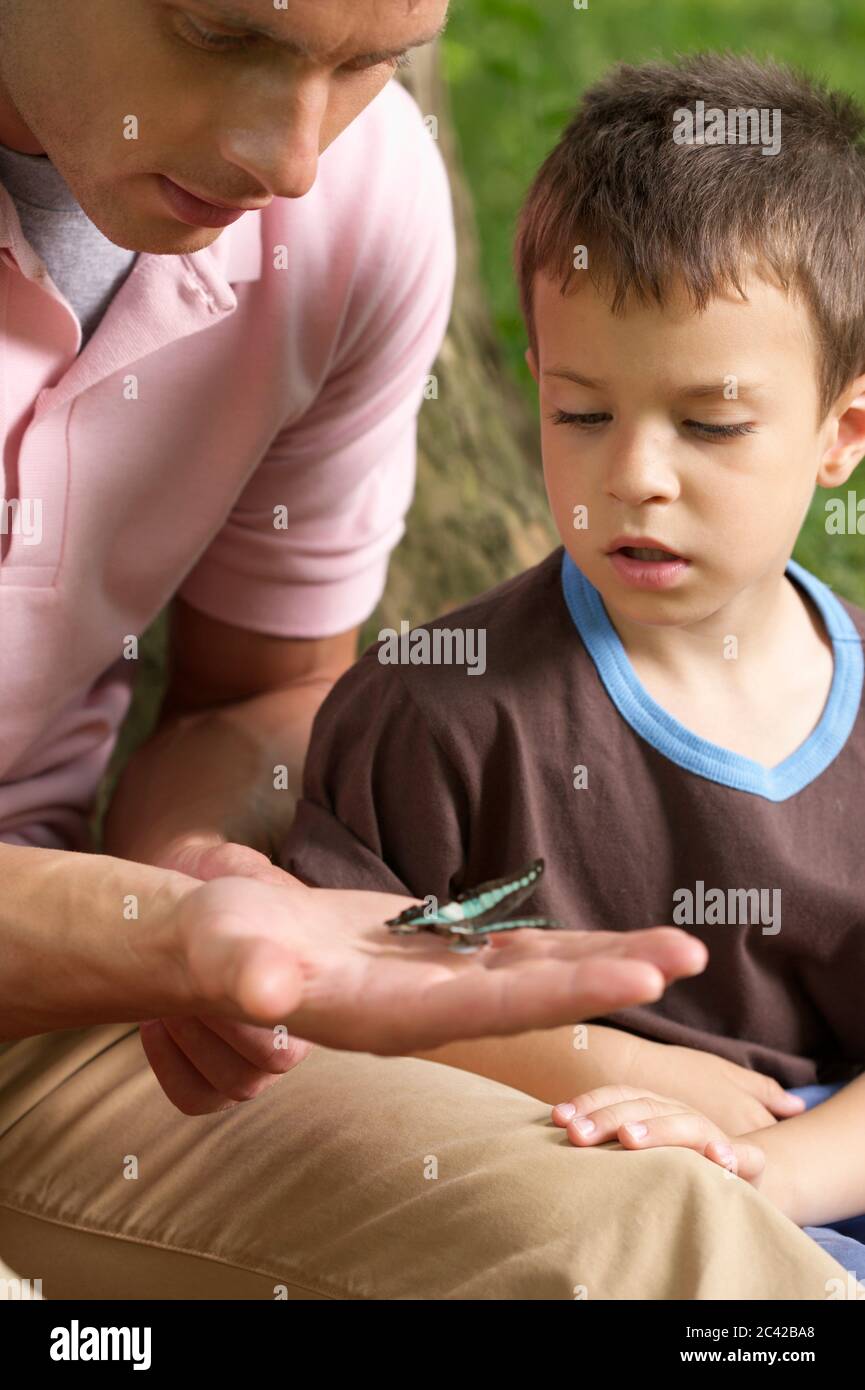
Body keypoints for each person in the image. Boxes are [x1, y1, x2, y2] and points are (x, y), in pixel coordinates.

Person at [0, 2, 775, 1300]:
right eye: (219, 33)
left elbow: (262, 692)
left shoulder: (352, 200)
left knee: (677, 1256)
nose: (288, 156)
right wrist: (156, 934)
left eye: (362, 63)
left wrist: (198, 870)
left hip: (73, 1005)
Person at [278, 53, 865, 1287]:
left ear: (839, 434)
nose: (635, 475)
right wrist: (617, 1082)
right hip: (567, 1185)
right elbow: (336, 1000)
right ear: (534, 382)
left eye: (710, 424)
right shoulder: (436, 711)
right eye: (583, 414)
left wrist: (772, 1167)